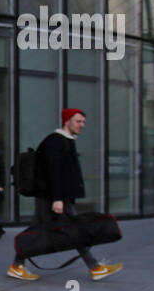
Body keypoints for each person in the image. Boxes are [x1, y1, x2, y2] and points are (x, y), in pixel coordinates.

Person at [8, 108, 123, 281]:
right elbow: (54, 172)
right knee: (73, 230)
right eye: (78, 121)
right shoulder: (56, 141)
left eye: (83, 121)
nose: (82, 125)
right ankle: (94, 267)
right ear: (66, 121)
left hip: (54, 196)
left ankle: (17, 265)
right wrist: (57, 199)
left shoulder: (65, 141)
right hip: (50, 197)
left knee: (61, 230)